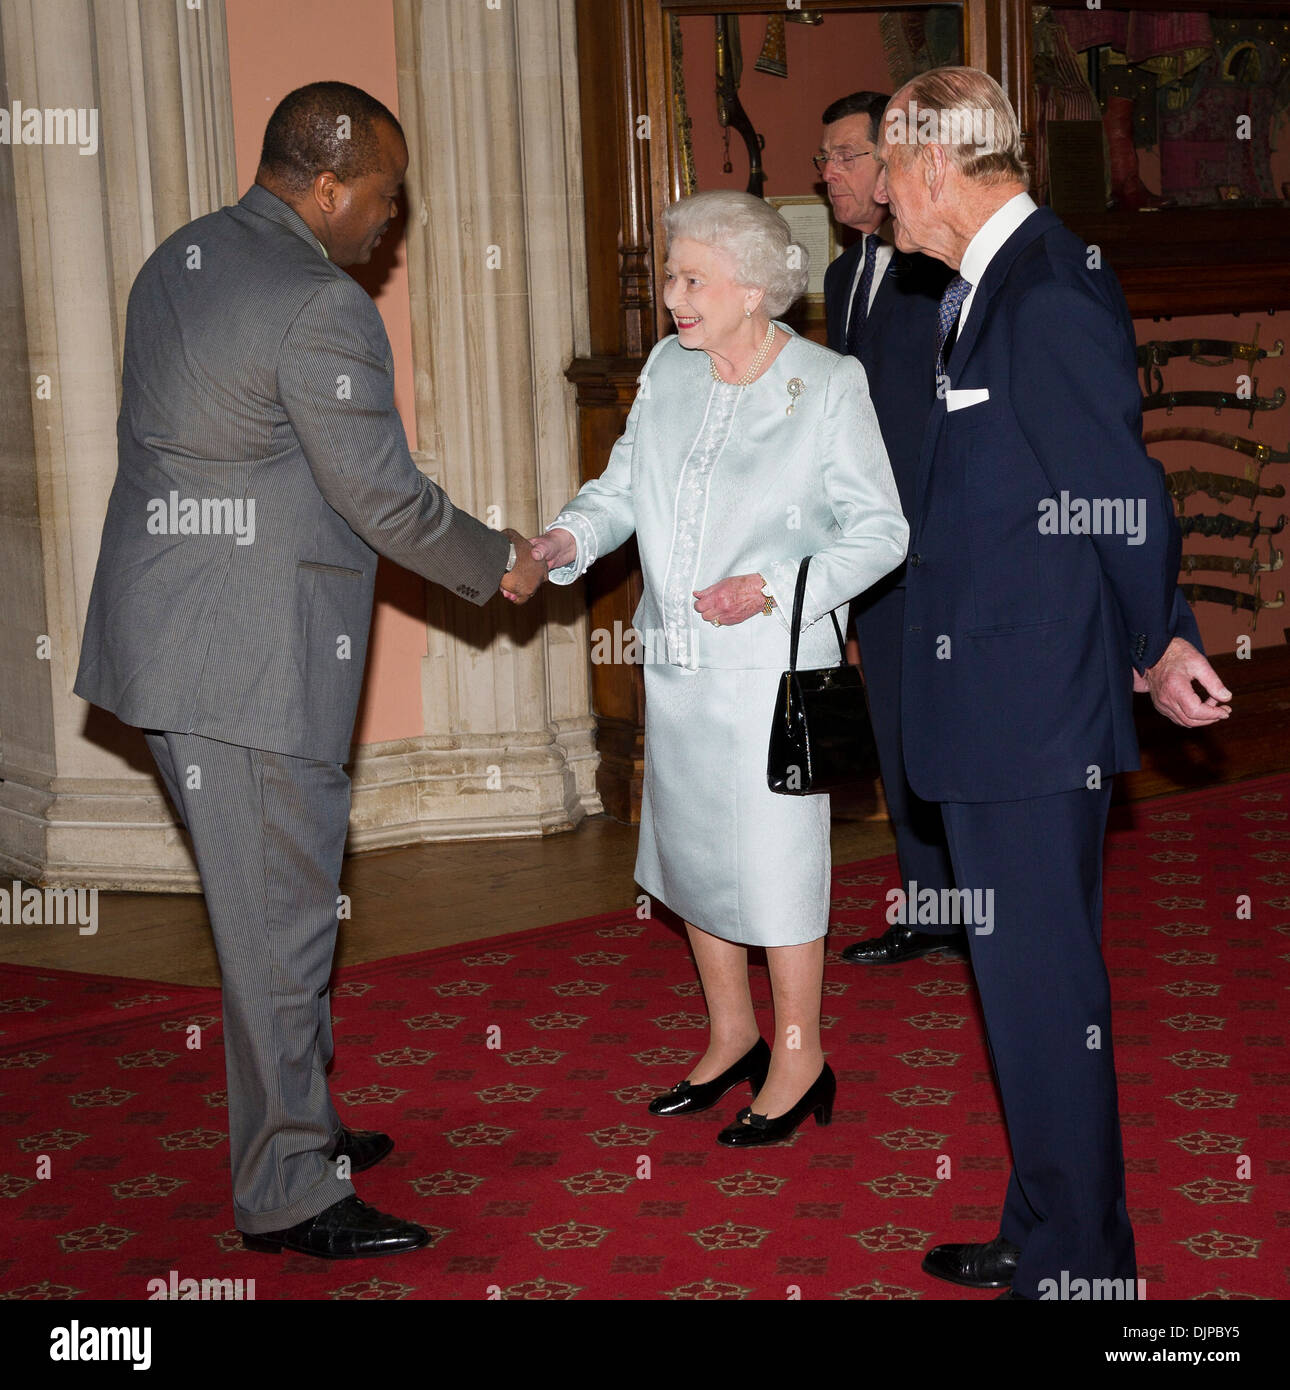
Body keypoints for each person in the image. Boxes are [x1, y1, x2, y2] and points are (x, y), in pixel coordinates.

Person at [74, 82, 547, 1259]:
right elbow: (383, 497)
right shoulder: (317, 306)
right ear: (328, 186)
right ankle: (288, 1186)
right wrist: (502, 564)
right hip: (249, 660)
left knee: (267, 913)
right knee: (282, 924)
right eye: (384, 201)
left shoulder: (181, 255)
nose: (391, 225)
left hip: (172, 636)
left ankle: (306, 1125)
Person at [872, 66, 1231, 1299]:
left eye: (887, 166)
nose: (875, 195)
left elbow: (1121, 488)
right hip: (988, 704)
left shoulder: (1046, 289)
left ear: (937, 164)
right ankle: (1041, 1225)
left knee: (1044, 997)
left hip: (1029, 712)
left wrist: (1162, 637)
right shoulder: (988, 286)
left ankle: (1085, 1270)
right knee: (1020, 1001)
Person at [529, 190, 908, 1145]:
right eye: (670, 277)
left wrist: (772, 586)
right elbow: (621, 490)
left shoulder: (827, 385)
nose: (672, 298)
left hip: (773, 672)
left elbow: (882, 535)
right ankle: (732, 1032)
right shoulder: (669, 367)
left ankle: (799, 1053)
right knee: (691, 859)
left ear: (753, 290)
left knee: (777, 874)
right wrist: (563, 541)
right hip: (681, 664)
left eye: (692, 279)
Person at [816, 91, 964, 967]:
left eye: (844, 156)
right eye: (824, 161)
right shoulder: (842, 277)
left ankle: (978, 909)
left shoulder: (943, 271)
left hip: (940, 537)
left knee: (947, 725)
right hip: (870, 540)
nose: (828, 174)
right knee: (896, 725)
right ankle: (929, 907)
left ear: (893, 162)